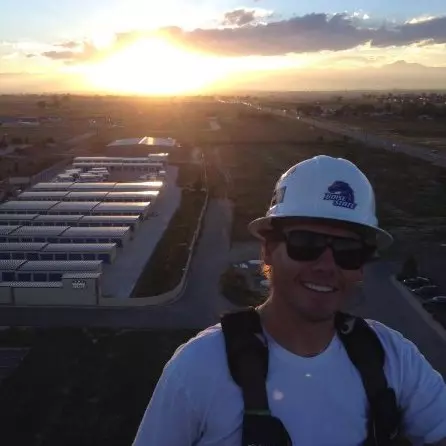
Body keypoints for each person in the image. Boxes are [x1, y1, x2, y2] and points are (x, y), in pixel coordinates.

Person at [133, 155, 446, 446]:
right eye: (305, 243)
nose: (326, 265)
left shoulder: (393, 358)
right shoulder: (199, 368)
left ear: (360, 266)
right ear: (268, 251)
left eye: (348, 251)